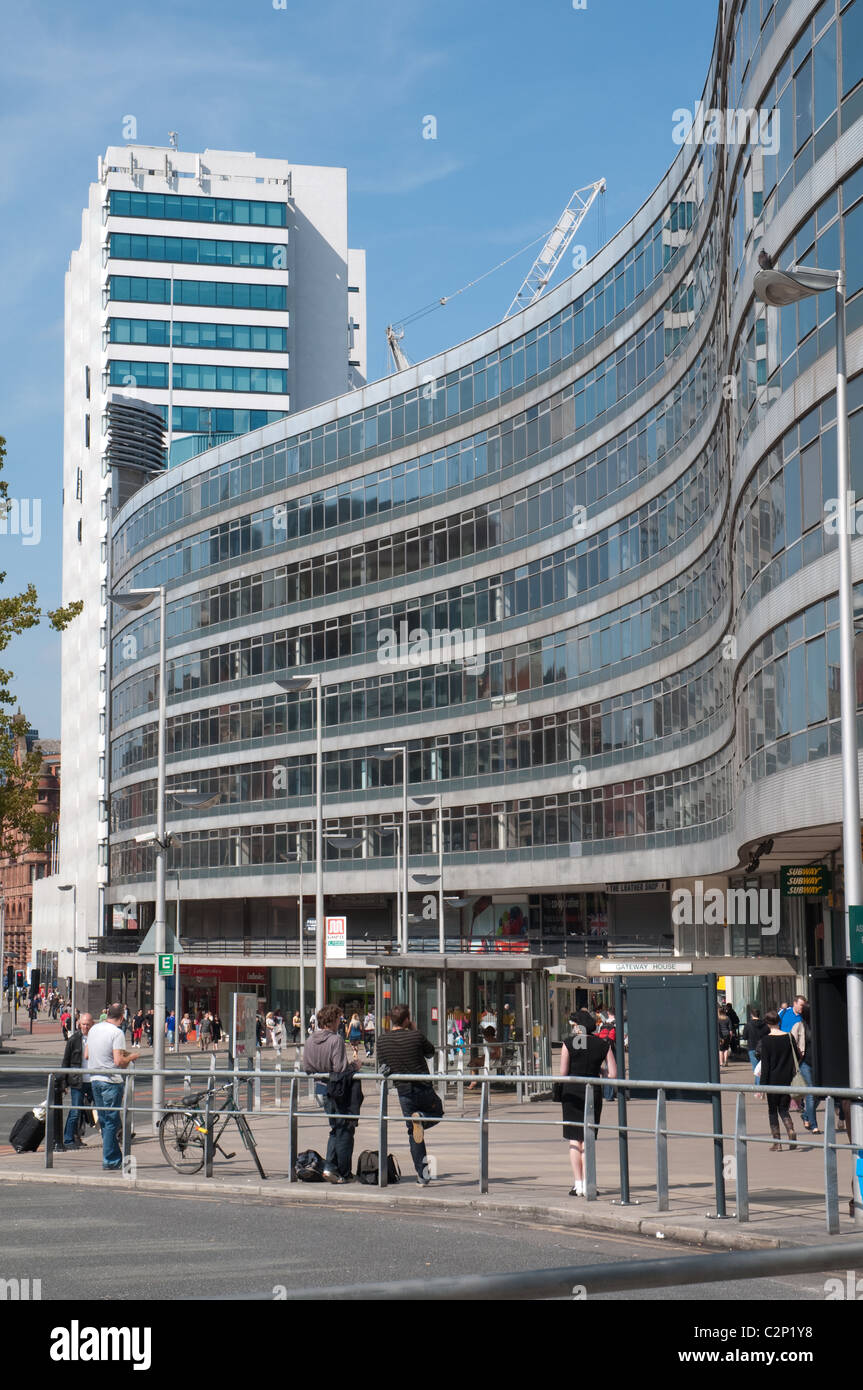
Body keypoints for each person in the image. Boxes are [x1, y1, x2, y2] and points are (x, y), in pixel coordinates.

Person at [375, 1004, 438, 1186]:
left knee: (413, 1132)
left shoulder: (382, 1040)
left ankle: (423, 1175)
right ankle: (423, 1118)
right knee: (438, 1113)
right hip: (423, 1088)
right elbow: (430, 1052)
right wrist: (415, 1030)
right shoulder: (415, 1035)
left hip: (403, 1091)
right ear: (407, 1019)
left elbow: (384, 1063)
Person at [558, 1009, 617, 1197]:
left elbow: (563, 1073)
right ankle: (590, 1183)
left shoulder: (568, 1044)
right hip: (593, 1092)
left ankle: (578, 1184)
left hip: (572, 1093)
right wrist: (598, 1071)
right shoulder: (603, 1044)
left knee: (575, 1139)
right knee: (588, 1138)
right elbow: (613, 1074)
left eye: (575, 1025)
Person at [302, 1002, 361, 1183]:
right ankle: (343, 1171)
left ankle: (329, 1168)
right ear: (333, 1020)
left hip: (320, 1088)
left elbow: (307, 1066)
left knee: (336, 1128)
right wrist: (355, 1066)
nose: (341, 1022)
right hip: (337, 1090)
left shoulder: (310, 1039)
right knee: (344, 1130)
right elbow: (340, 1069)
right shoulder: (336, 1040)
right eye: (339, 1019)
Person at [84, 1003, 139, 1170]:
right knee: (111, 1122)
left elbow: (87, 1054)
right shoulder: (117, 1033)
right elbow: (118, 1061)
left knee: (105, 1119)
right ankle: (111, 1159)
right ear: (122, 1017)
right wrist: (133, 1056)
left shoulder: (94, 1029)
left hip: (95, 1079)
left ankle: (114, 1157)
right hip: (111, 1081)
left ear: (107, 1014)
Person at [758, 1009, 801, 1151]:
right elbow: (797, 1056)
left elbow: (766, 1065)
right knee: (783, 1108)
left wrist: (761, 1087)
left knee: (772, 1110)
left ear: (767, 1023)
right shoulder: (789, 1037)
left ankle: (777, 1142)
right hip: (787, 1079)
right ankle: (790, 1130)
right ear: (779, 1021)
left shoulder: (766, 1040)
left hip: (771, 1080)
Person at [58, 1012, 94, 1151]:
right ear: (79, 1024)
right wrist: (63, 1083)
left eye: (88, 1025)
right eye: (83, 1024)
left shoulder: (96, 1038)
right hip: (77, 1081)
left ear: (93, 1025)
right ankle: (68, 1139)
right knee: (75, 1111)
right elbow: (66, 1061)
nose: (85, 1027)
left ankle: (77, 1136)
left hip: (93, 1080)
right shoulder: (74, 1039)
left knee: (95, 1110)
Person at [791, 1003, 819, 1134]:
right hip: (805, 1063)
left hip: (818, 1064)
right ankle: (814, 1125)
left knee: (819, 1094)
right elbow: (792, 1044)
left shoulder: (819, 1025)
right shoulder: (799, 1026)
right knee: (811, 1093)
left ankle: (806, 1116)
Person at [743, 1005, 769, 1079]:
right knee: (762, 1068)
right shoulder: (765, 1024)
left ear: (751, 1015)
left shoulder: (748, 1025)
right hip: (763, 1047)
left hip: (752, 1047)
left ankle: (758, 1088)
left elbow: (744, 1036)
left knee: (756, 1069)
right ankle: (760, 1086)